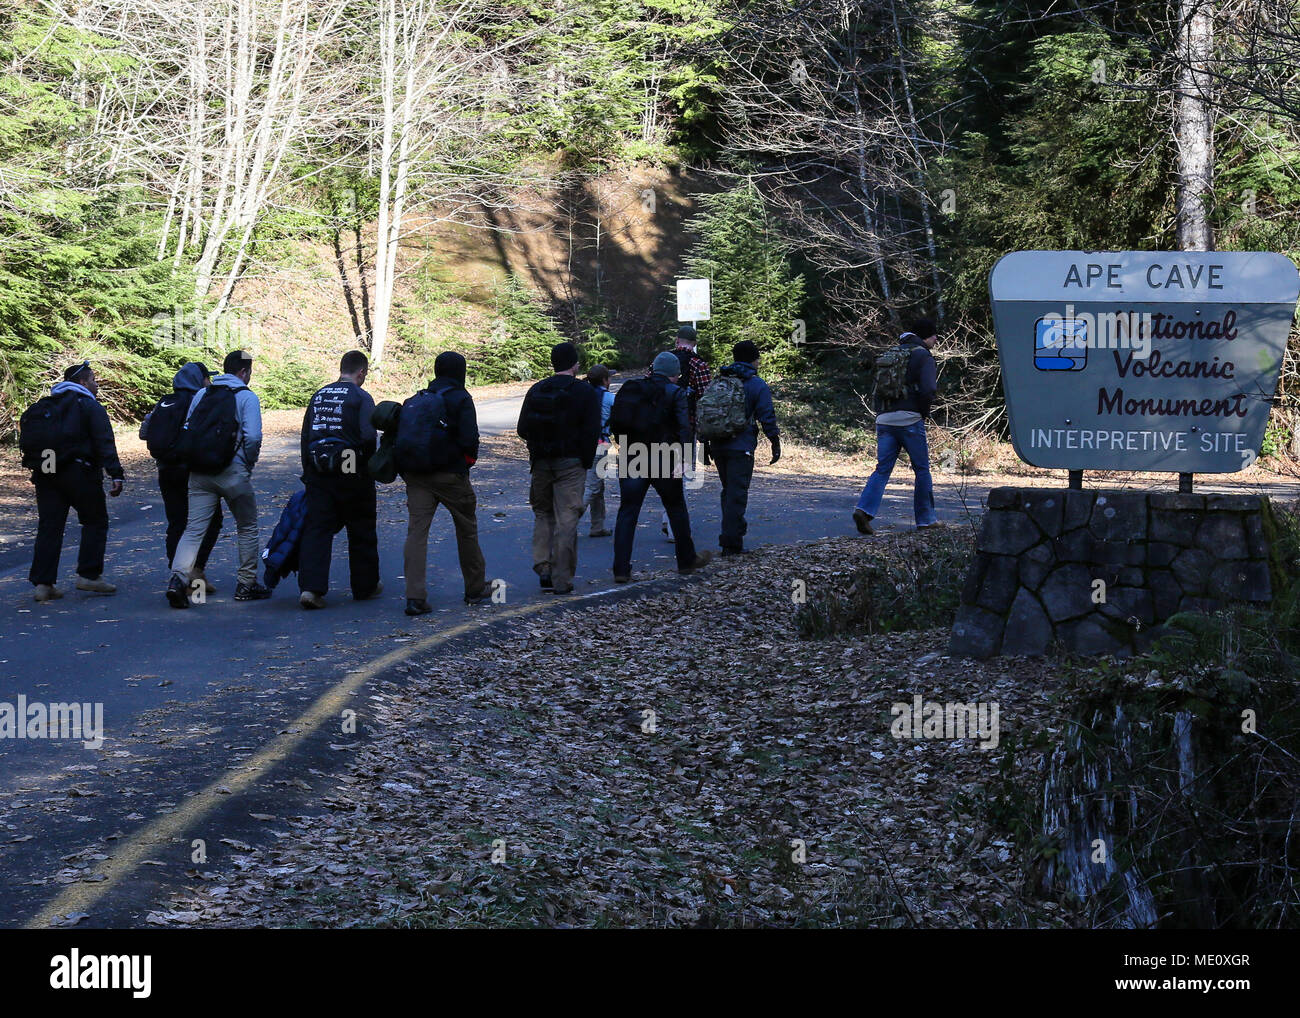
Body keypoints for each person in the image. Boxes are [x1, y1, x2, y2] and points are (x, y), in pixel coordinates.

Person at [166, 349, 270, 607]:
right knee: (246, 526)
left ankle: (178, 579)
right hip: (233, 472)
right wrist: (247, 462)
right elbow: (254, 437)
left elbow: (190, 428)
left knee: (193, 529)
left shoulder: (203, 393)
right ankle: (246, 584)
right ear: (244, 372)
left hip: (200, 472)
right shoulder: (246, 397)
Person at [23, 361, 123, 601]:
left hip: (46, 473)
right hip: (80, 472)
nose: (96, 385)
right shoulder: (88, 405)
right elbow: (104, 441)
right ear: (82, 382)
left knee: (50, 526)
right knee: (95, 521)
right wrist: (115, 473)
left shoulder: (45, 405)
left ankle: (43, 584)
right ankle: (89, 576)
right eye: (94, 381)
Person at [400, 351, 490, 615]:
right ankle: (474, 589)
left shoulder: (417, 399)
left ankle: (414, 596)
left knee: (416, 532)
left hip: (416, 475)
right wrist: (465, 465)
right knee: (466, 529)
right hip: (451, 475)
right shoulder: (461, 398)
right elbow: (470, 439)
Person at [611, 351, 712, 583]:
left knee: (628, 512)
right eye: (677, 374)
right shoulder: (674, 392)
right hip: (664, 457)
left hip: (632, 455)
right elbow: (684, 428)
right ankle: (686, 561)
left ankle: (621, 569)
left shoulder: (631, 388)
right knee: (676, 508)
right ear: (673, 374)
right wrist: (686, 459)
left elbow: (617, 423)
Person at [297, 350, 382, 609]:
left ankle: (311, 589)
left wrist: (308, 472)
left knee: (318, 528)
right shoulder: (361, 396)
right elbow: (368, 437)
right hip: (352, 470)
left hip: (319, 470)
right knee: (361, 528)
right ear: (361, 373)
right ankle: (364, 586)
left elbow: (306, 435)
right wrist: (367, 467)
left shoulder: (319, 394)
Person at [516, 341, 602, 595]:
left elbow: (522, 429)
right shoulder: (584, 392)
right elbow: (592, 430)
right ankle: (561, 578)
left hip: (541, 463)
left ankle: (542, 565)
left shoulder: (537, 390)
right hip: (571, 462)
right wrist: (585, 461)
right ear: (575, 364)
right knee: (567, 519)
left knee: (543, 514)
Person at [140, 362, 222, 592]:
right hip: (192, 471)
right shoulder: (200, 401)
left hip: (166, 470)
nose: (210, 382)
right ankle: (195, 571)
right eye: (208, 378)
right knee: (211, 520)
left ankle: (179, 574)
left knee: (177, 522)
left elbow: (145, 432)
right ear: (199, 380)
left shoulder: (165, 402)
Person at [853, 319, 940, 534]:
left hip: (884, 419)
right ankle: (926, 519)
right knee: (921, 470)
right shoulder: (923, 356)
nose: (937, 339)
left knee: (882, 469)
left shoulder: (892, 353)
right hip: (910, 420)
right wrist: (923, 412)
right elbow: (929, 389)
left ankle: (863, 510)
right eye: (935, 336)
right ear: (926, 336)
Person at [702, 340, 780, 556]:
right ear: (753, 359)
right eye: (757, 358)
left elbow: (707, 412)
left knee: (729, 491)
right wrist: (774, 441)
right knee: (737, 493)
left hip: (718, 445)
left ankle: (733, 534)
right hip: (741, 446)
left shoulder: (720, 380)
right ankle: (731, 543)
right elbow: (766, 415)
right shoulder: (756, 384)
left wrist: (705, 442)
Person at [659, 325, 711, 541]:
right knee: (680, 475)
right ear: (695, 343)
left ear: (676, 340)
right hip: (686, 428)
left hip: (659, 428)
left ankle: (666, 517)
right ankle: (673, 527)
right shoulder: (699, 365)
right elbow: (706, 399)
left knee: (663, 473)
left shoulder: (660, 361)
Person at [581, 363, 616, 538]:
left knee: (597, 485)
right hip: (600, 444)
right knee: (592, 487)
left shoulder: (583, 394)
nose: (611, 380)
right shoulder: (609, 398)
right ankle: (566, 521)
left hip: (582, 443)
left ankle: (597, 526)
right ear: (604, 380)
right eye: (609, 377)